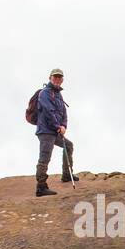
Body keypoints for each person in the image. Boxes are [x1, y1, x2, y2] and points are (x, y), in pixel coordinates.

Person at [34, 67, 77, 196]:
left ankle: (66, 174)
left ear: (62, 80)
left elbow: (64, 112)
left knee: (68, 146)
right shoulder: (45, 93)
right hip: (46, 131)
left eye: (60, 77)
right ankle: (41, 187)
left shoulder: (58, 94)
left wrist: (63, 125)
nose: (57, 79)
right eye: (55, 77)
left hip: (55, 131)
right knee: (45, 157)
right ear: (50, 78)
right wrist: (58, 126)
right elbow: (48, 111)